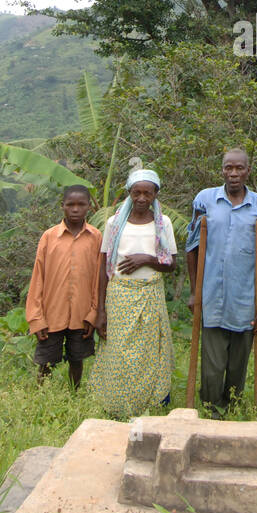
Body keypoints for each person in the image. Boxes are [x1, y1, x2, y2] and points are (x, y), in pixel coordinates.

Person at [186, 148, 257, 415]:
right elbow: (192, 248)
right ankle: (212, 407)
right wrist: (194, 291)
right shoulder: (205, 200)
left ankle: (233, 405)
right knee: (212, 361)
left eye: (239, 168)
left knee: (239, 361)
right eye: (228, 168)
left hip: (245, 295)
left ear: (248, 171)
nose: (233, 173)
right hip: (212, 293)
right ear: (222, 170)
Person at [90, 168, 177, 418]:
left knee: (148, 352)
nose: (141, 198)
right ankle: (116, 404)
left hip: (150, 294)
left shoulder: (163, 224)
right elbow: (104, 266)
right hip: (120, 295)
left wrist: (147, 259)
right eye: (136, 192)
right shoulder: (114, 224)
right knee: (119, 349)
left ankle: (149, 403)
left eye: (147, 193)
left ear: (155, 194)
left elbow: (171, 265)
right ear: (129, 193)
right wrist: (100, 311)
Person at [25, 185, 102, 389]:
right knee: (46, 361)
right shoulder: (49, 237)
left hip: (82, 313)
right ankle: (42, 398)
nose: (75, 209)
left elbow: (99, 279)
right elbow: (37, 277)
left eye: (81, 204)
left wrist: (93, 314)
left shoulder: (96, 237)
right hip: (51, 314)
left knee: (77, 359)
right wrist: (36, 318)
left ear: (88, 208)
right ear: (62, 206)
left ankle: (73, 394)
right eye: (70, 205)